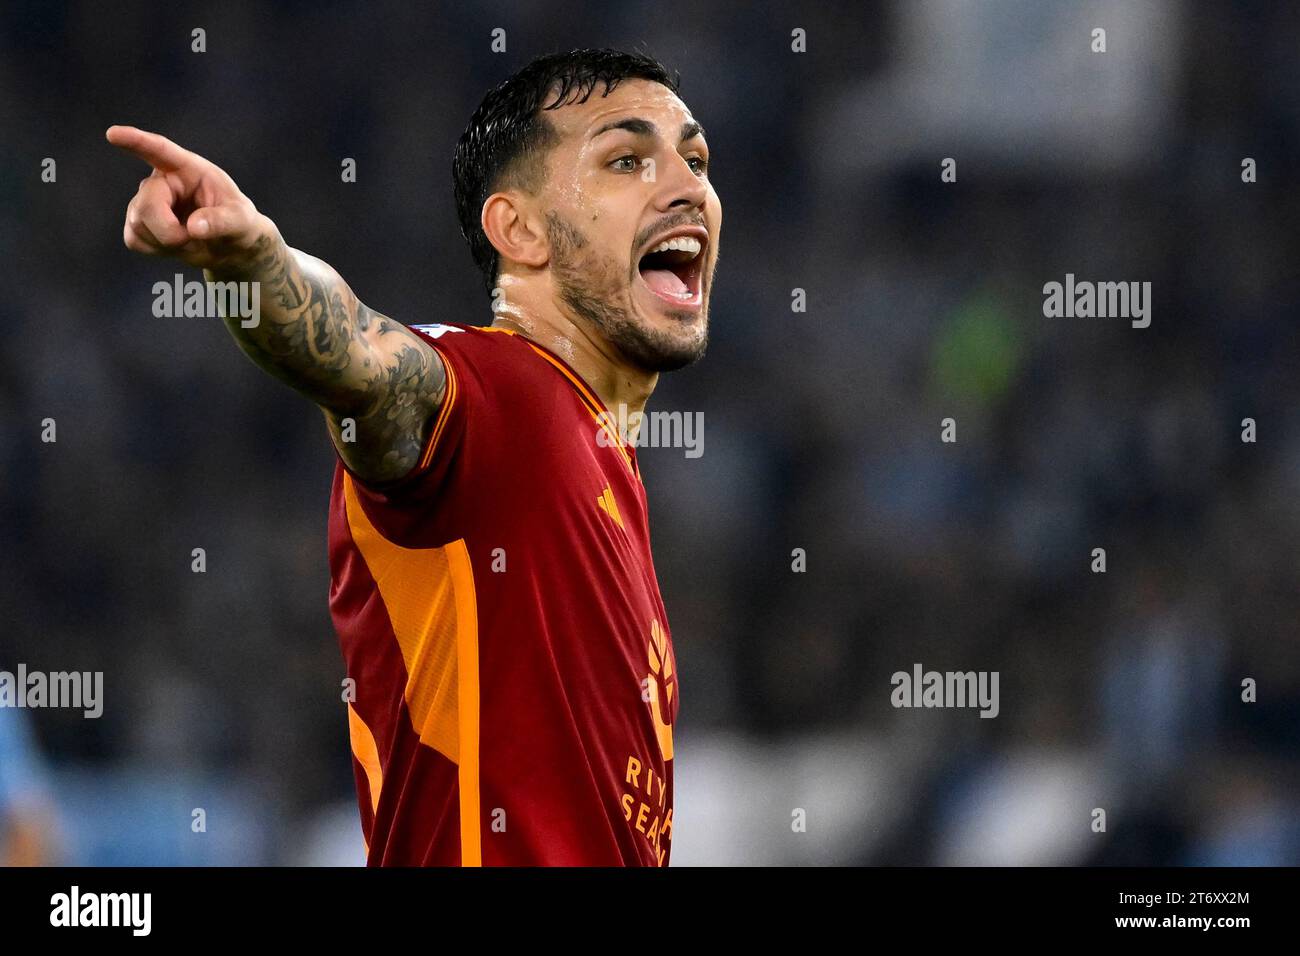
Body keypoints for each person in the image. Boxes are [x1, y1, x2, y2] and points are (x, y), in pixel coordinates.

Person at [108, 48, 721, 866]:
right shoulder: (504, 393)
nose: (685, 185)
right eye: (625, 160)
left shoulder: (604, 469)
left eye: (695, 158)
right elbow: (359, 357)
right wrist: (249, 259)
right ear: (520, 229)